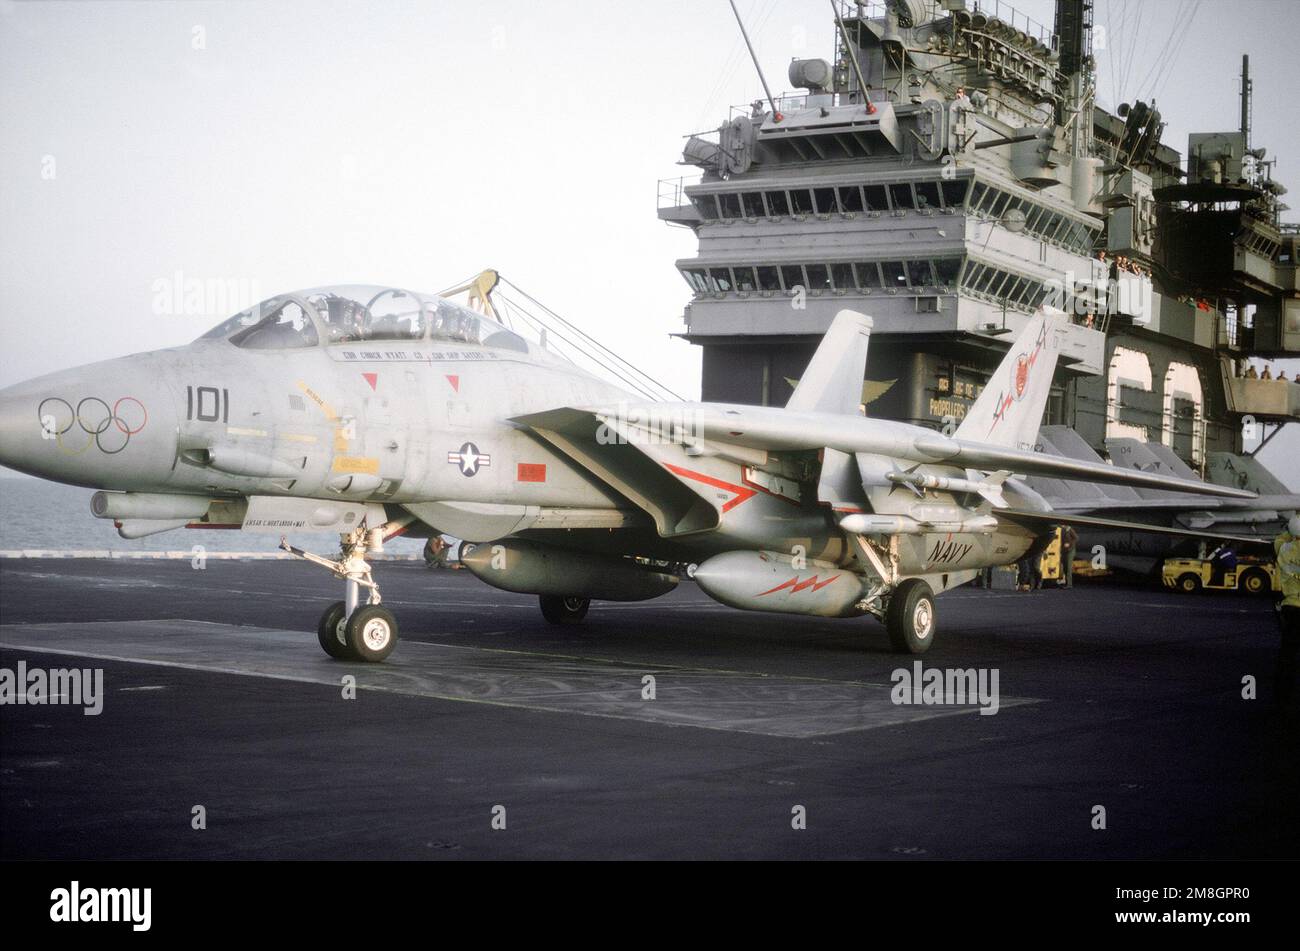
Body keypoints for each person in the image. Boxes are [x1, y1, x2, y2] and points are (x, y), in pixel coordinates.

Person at [1276, 516, 1300, 637]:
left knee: (1289, 644)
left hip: (1290, 604)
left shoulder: (1283, 548)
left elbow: (1279, 539)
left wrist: (1292, 528)